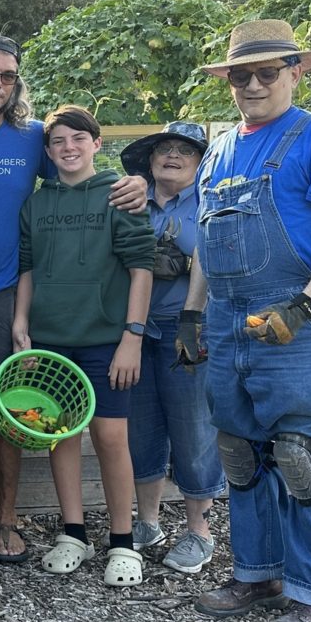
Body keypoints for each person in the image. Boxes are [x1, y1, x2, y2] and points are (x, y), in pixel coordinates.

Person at [180, 20, 311, 622]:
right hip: (229, 322)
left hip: (293, 320)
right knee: (240, 453)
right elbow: (209, 242)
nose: (254, 83)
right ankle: (257, 574)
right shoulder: (219, 149)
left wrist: (306, 305)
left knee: (300, 455)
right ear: (229, 80)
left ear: (295, 71)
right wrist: (192, 312)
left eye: (268, 71)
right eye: (242, 73)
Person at [0, 38, 147, 564]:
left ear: (16, 83)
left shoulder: (31, 140)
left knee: (0, 408)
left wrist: (138, 184)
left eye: (7, 76)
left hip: (1, 292)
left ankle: (9, 516)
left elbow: (84, 178)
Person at [13, 105, 154, 587]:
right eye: (57, 142)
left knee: (111, 437)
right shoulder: (36, 204)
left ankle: (122, 542)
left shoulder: (119, 195)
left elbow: (141, 268)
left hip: (105, 341)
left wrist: (131, 338)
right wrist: (21, 326)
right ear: (47, 152)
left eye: (78, 138)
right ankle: (73, 532)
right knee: (60, 434)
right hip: (51, 343)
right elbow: (27, 268)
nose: (67, 148)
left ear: (96, 143)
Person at [119, 121, 224, 574]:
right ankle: (147, 522)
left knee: (193, 427)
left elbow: (217, 261)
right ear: (149, 159)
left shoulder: (211, 203)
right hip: (135, 332)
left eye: (185, 150)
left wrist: (186, 280)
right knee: (140, 428)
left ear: (201, 163)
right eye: (165, 148)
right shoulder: (131, 203)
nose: (173, 156)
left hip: (189, 331)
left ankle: (199, 529)